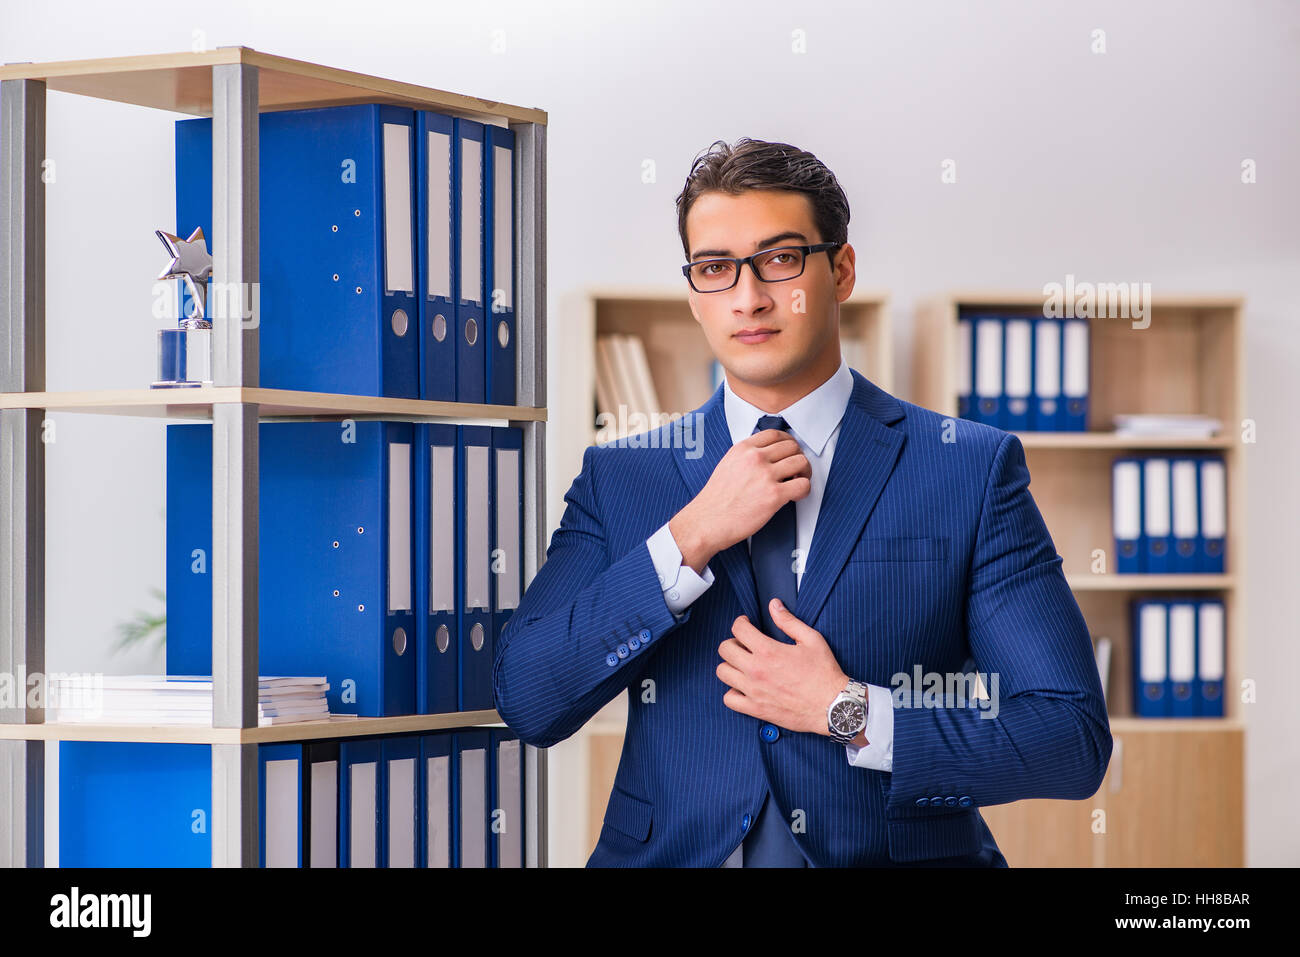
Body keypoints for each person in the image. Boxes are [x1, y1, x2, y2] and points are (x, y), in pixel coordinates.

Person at [494, 137, 1112, 867]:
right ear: (695, 294)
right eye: (716, 269)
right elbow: (530, 699)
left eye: (780, 259)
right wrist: (690, 535)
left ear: (840, 270)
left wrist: (849, 711)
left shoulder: (969, 470)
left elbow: (1069, 738)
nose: (749, 297)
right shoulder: (622, 477)